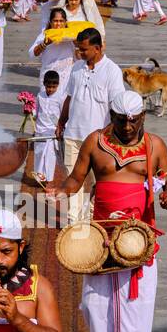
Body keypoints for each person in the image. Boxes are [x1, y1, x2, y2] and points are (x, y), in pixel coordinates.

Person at [57, 91, 167, 332]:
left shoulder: (155, 146)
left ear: (143, 118)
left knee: (135, 308)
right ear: (110, 115)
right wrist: (59, 191)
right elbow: (76, 179)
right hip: (101, 237)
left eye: (133, 121)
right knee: (94, 305)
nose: (127, 127)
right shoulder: (94, 142)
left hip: (138, 239)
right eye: (121, 121)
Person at [58, 27, 124, 222]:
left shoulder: (112, 71)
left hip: (98, 139)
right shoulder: (77, 67)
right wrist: (61, 122)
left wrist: (111, 136)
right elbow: (69, 97)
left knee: (98, 182)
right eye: (79, 49)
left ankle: (94, 219)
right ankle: (74, 221)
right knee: (73, 179)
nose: (80, 53)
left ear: (97, 48)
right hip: (73, 135)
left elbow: (116, 107)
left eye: (84, 49)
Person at [31, 68, 67, 181]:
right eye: (48, 87)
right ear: (44, 84)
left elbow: (63, 114)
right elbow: (36, 111)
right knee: (38, 153)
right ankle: (39, 178)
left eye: (53, 87)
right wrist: (29, 111)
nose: (51, 89)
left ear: (58, 85)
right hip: (40, 130)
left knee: (50, 156)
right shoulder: (40, 96)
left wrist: (61, 128)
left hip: (52, 131)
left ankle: (48, 179)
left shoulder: (61, 97)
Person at [30, 6, 76, 84]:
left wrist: (77, 43)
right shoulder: (44, 35)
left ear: (65, 22)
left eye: (61, 21)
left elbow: (79, 58)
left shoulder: (71, 37)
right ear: (50, 22)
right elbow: (32, 54)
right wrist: (44, 44)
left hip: (67, 77)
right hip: (49, 77)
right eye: (55, 21)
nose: (58, 24)